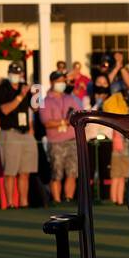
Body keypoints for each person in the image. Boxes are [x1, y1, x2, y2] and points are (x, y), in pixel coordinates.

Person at [0, 62, 35, 208]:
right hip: (10, 132)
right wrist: (20, 96)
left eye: (18, 73)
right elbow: (4, 109)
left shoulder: (26, 87)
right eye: (13, 73)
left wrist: (36, 94)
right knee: (10, 171)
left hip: (25, 132)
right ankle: (10, 202)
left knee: (25, 171)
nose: (15, 76)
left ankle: (24, 202)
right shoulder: (2, 89)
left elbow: (36, 108)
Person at [41, 71, 80, 204]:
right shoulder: (45, 100)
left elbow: (78, 114)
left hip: (72, 140)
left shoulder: (69, 98)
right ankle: (56, 200)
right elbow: (47, 122)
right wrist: (64, 122)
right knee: (57, 173)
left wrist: (68, 121)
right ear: (52, 82)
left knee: (72, 172)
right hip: (56, 142)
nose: (62, 84)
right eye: (59, 81)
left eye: (63, 81)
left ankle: (68, 198)